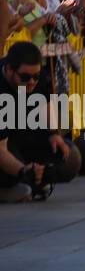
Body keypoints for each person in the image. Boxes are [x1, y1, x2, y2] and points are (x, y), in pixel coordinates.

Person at [0, 42, 70, 203]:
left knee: (55, 149)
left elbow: (46, 103)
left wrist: (54, 134)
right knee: (12, 167)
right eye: (25, 77)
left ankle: (30, 181)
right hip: (3, 140)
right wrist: (23, 171)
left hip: (15, 130)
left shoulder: (34, 78)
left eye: (36, 76)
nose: (32, 81)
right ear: (9, 69)